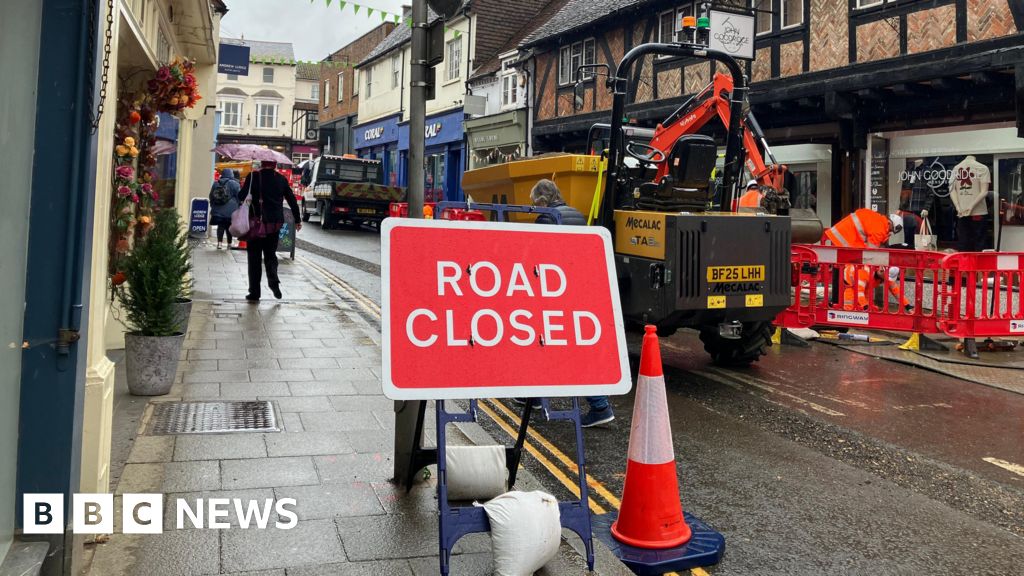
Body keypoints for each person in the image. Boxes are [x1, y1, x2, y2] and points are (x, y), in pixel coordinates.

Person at [521, 179, 614, 428]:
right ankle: (534, 396)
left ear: (541, 199)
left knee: (555, 346)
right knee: (562, 346)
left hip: (553, 291)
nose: (534, 206)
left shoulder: (546, 218)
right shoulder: (576, 214)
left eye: (535, 202)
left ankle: (600, 405)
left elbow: (537, 257)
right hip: (577, 289)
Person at [238, 160, 301, 301]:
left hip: (255, 224)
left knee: (254, 258)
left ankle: (254, 293)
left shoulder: (253, 177)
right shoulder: (280, 179)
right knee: (270, 254)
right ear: (275, 165)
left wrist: (248, 192)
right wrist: (297, 219)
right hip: (274, 224)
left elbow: (241, 196)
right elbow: (291, 200)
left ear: (261, 164)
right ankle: (273, 282)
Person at [822, 208, 901, 249]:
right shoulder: (880, 229)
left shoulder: (878, 219)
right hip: (846, 238)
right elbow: (871, 252)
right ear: (890, 224)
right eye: (891, 230)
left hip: (840, 233)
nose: (889, 232)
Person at [209, 168, 240, 249]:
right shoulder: (235, 183)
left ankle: (219, 243)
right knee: (229, 226)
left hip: (218, 209)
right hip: (231, 210)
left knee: (221, 226)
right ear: (231, 174)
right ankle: (229, 244)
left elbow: (211, 195)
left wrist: (212, 205)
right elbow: (239, 196)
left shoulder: (216, 183)